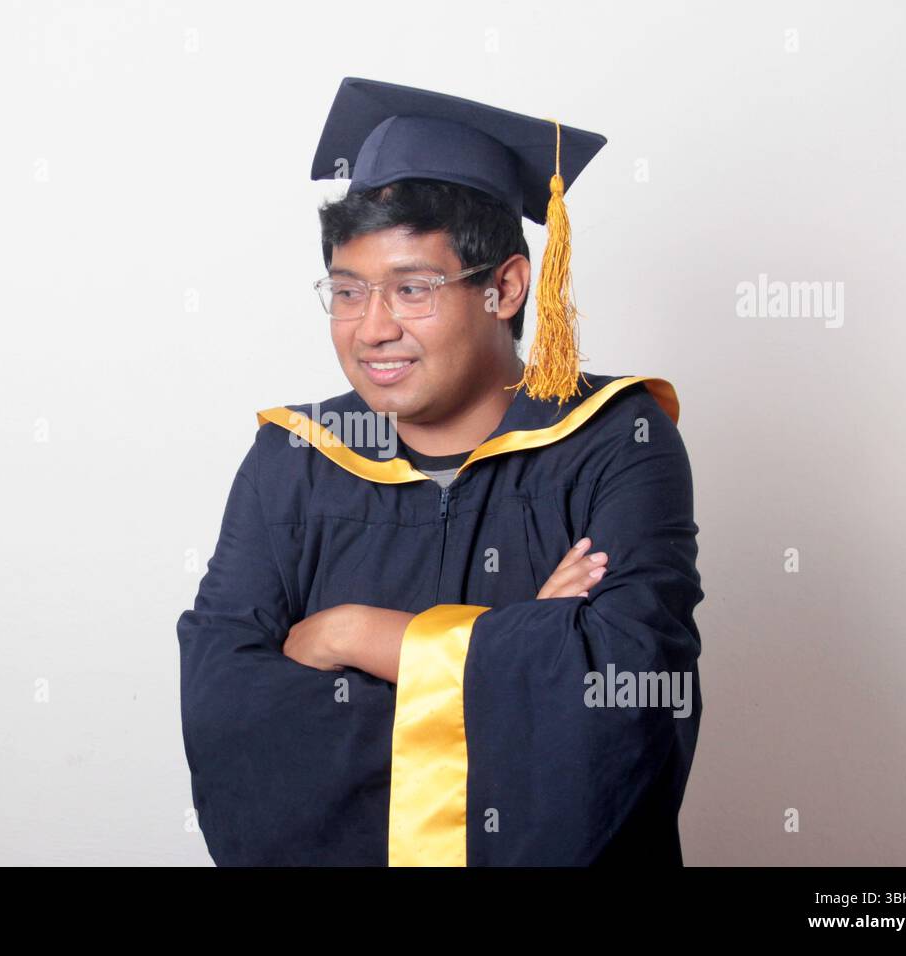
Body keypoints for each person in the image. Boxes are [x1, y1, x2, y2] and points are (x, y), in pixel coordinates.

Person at [177, 77, 704, 866]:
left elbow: (627, 706)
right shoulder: (293, 459)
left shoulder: (615, 441)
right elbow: (230, 721)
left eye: (412, 289)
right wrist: (523, 654)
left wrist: (351, 635)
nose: (372, 329)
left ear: (505, 288)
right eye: (347, 292)